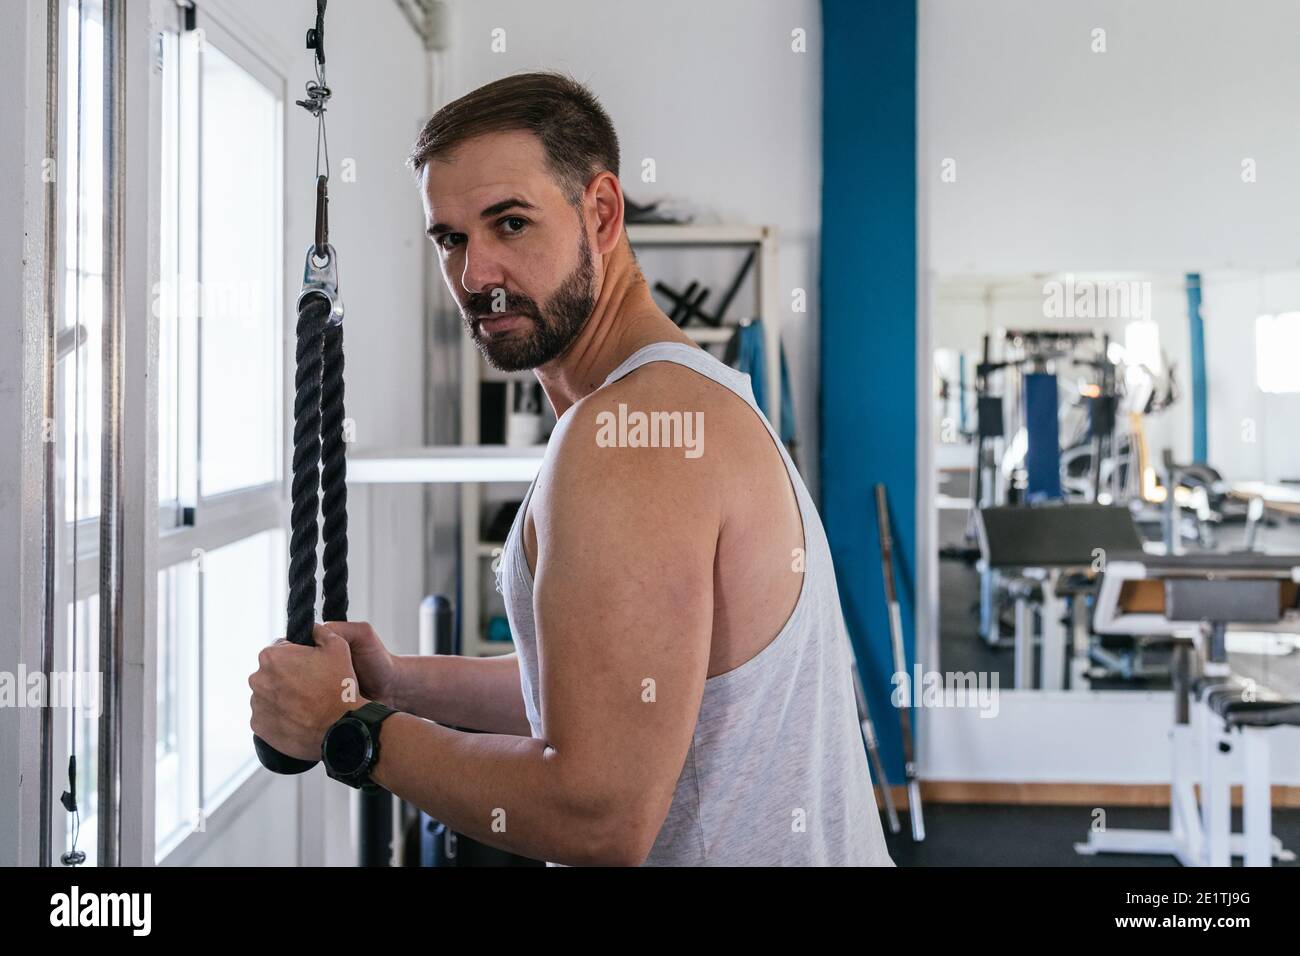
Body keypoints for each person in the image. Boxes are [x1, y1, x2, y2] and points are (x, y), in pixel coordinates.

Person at [250, 71, 894, 867]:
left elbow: (596, 815)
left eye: (510, 223)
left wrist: (354, 732)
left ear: (601, 213)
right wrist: (399, 684)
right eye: (451, 238)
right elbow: (602, 694)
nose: (476, 275)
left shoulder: (628, 438)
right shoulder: (671, 400)